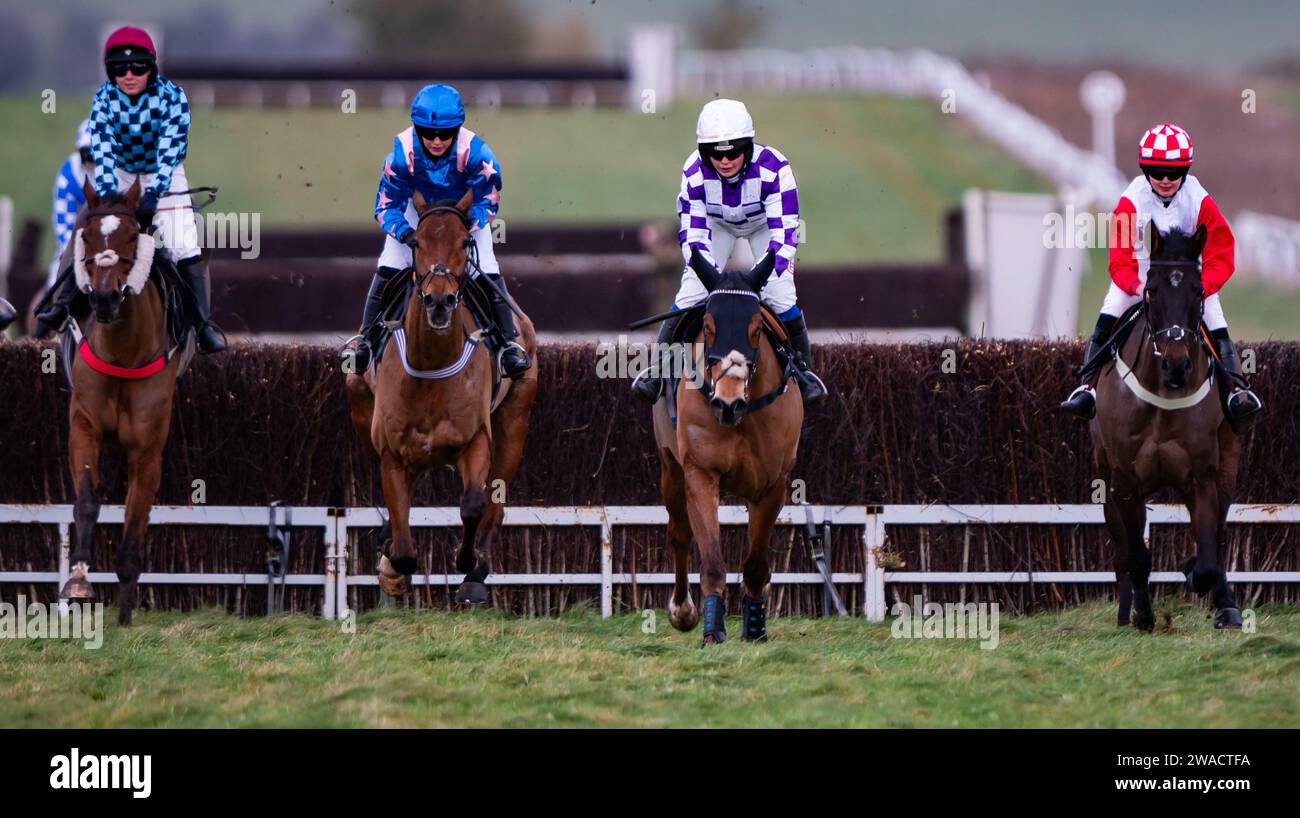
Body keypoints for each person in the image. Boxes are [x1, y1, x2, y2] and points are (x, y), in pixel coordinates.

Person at [36, 26, 226, 353]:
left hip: (162, 173)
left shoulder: (173, 98)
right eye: (119, 68)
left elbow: (169, 150)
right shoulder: (103, 100)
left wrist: (152, 196)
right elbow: (103, 149)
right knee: (89, 227)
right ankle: (62, 303)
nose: (128, 75)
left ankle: (203, 325)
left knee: (183, 243)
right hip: (120, 173)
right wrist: (110, 194)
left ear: (151, 67)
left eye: (138, 66)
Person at [1060, 123, 1260, 422]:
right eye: (1157, 172)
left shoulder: (1199, 199)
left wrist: (1204, 286)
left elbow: (1221, 250)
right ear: (1144, 169)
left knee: (1217, 324)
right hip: (1141, 276)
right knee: (1109, 312)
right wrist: (1138, 288)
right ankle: (1087, 388)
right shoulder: (1130, 201)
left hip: (1190, 279)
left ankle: (1235, 391)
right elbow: (1119, 259)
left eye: (1175, 173)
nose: (1166, 180)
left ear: (1186, 171)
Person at [631, 98, 825, 405]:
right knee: (689, 295)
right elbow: (693, 238)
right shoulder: (693, 171)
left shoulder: (776, 169)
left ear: (749, 146)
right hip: (716, 225)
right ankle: (657, 372)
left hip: (764, 226)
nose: (724, 161)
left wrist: (753, 283)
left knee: (781, 294)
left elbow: (786, 235)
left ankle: (804, 375)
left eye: (733, 151)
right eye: (714, 154)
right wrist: (714, 283)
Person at [344, 83, 528, 377]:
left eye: (446, 133)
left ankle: (509, 344)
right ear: (416, 128)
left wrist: (469, 224)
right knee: (390, 264)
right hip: (416, 217)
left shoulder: (479, 154)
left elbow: (488, 197)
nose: (437, 140)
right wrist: (404, 233)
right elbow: (386, 206)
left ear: (458, 129)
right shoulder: (400, 156)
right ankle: (364, 341)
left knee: (487, 268)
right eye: (428, 133)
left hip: (462, 217)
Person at [47, 119, 94, 289]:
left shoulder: (124, 171)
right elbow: (63, 224)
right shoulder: (70, 172)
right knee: (55, 280)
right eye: (86, 153)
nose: (91, 160)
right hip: (76, 245)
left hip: (115, 245)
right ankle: (54, 311)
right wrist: (83, 252)